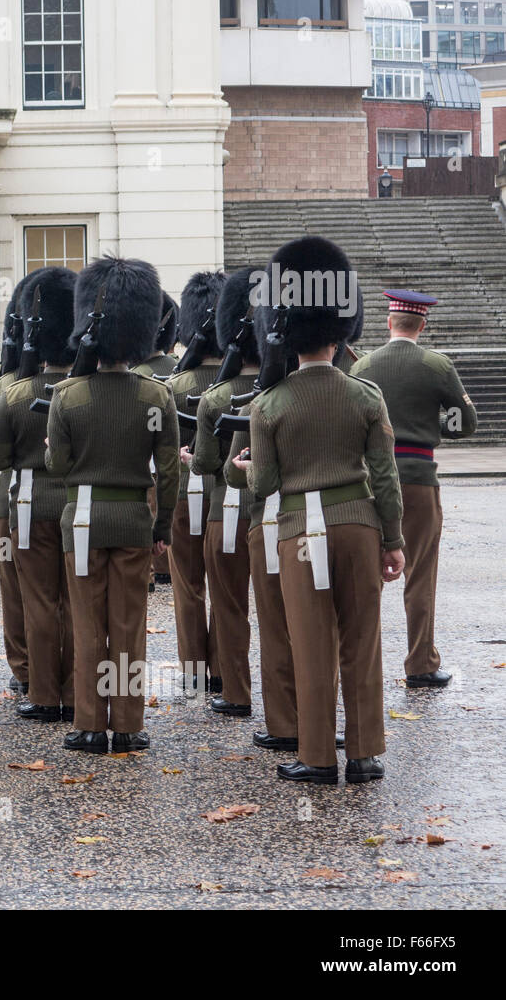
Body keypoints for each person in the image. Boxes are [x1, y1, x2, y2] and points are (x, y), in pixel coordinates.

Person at [235, 236, 404, 784]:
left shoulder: (268, 405)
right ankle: (365, 753)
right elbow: (385, 476)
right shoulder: (366, 395)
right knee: (363, 640)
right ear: (340, 334)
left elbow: (264, 484)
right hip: (359, 524)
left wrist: (243, 472)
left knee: (311, 644)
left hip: (298, 530)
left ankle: (315, 754)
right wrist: (394, 539)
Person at [48, 257, 178, 753]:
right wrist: (161, 524)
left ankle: (88, 724)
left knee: (87, 625)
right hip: (132, 521)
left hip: (81, 520)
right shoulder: (156, 395)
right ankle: (127, 724)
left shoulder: (66, 395)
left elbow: (58, 467)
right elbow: (168, 470)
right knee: (128, 627)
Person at [351, 290, 477, 688]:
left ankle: (358, 666)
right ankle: (420, 663)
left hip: (371, 479)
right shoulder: (436, 365)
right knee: (420, 573)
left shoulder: (365, 366)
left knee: (365, 576)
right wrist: (428, 428)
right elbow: (464, 423)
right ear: (422, 325)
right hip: (420, 476)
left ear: (389, 323)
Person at [0, 265, 78, 722]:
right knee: (74, 601)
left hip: (26, 502)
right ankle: (76, 690)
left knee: (35, 600)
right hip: (79, 504)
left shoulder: (14, 392)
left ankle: (38, 688)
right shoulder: (85, 391)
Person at [188, 268, 259, 718]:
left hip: (226, 509)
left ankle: (236, 691)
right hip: (276, 513)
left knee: (229, 605)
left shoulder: (215, 398)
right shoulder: (280, 389)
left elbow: (203, 464)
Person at [167, 271, 224, 690]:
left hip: (185, 491)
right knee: (226, 585)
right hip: (228, 496)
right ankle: (223, 667)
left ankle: (192, 670)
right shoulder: (248, 385)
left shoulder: (173, 387)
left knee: (187, 584)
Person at [0, 296, 29, 694]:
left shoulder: (2, 386)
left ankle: (25, 668)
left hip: (9, 503)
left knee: (13, 591)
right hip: (61, 503)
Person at [134, 295, 178, 586]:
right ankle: (164, 567)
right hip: (176, 455)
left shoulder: (135, 376)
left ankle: (148, 572)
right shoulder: (179, 368)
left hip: (143, 460)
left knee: (149, 510)